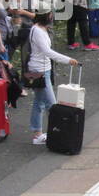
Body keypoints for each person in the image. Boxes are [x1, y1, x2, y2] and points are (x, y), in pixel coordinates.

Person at [26, 11, 79, 145]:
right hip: (40, 70)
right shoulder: (37, 30)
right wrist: (68, 60)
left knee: (39, 102)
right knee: (52, 105)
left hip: (43, 70)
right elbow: (47, 51)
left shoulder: (40, 28)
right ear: (45, 16)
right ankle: (59, 132)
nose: (52, 17)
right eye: (50, 15)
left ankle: (37, 133)